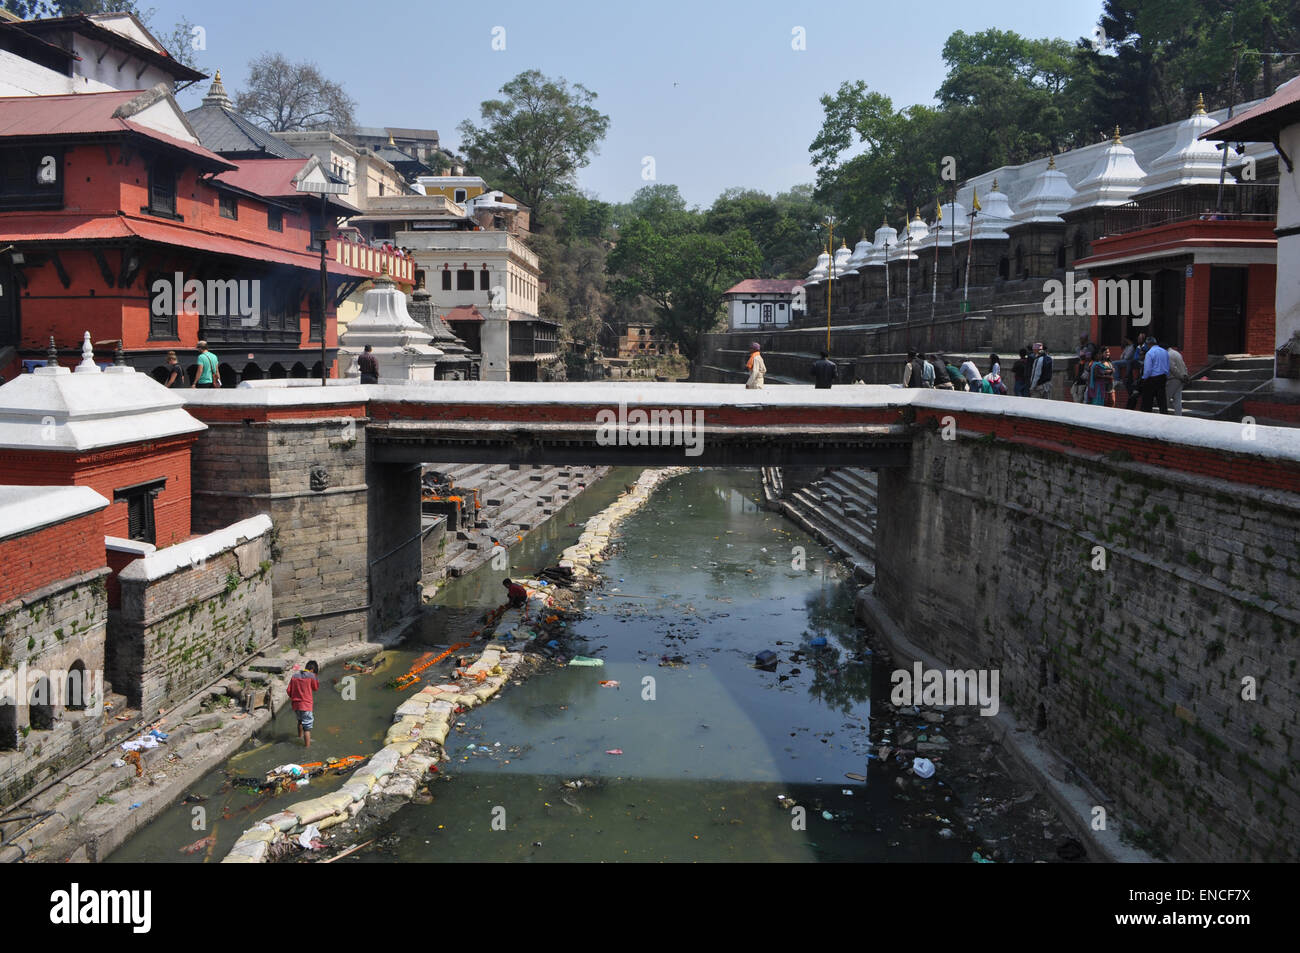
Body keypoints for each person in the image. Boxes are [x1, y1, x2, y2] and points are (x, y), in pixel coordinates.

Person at [287, 661, 320, 748]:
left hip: (296, 705)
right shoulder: (311, 676)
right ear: (313, 670)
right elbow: (316, 688)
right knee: (307, 727)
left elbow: (288, 691)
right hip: (306, 705)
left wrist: (294, 697)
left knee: (300, 721)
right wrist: (315, 678)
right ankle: (307, 748)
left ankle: (300, 737)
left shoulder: (294, 676)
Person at [1140, 336, 1169, 414]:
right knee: (1162, 401)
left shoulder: (1149, 353)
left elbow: (1148, 369)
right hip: (1163, 377)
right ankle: (1164, 416)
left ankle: (1147, 417)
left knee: (1147, 402)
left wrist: (1144, 378)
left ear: (1148, 344)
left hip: (1152, 379)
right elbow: (1167, 365)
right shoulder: (1164, 351)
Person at [1166, 343, 1189, 416]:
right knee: (1177, 400)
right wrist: (1185, 375)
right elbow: (1183, 365)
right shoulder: (1176, 353)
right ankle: (1178, 415)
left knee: (1166, 397)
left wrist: (1180, 376)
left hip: (1174, 378)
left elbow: (1173, 368)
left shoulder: (1168, 355)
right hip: (1182, 377)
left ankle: (1164, 415)